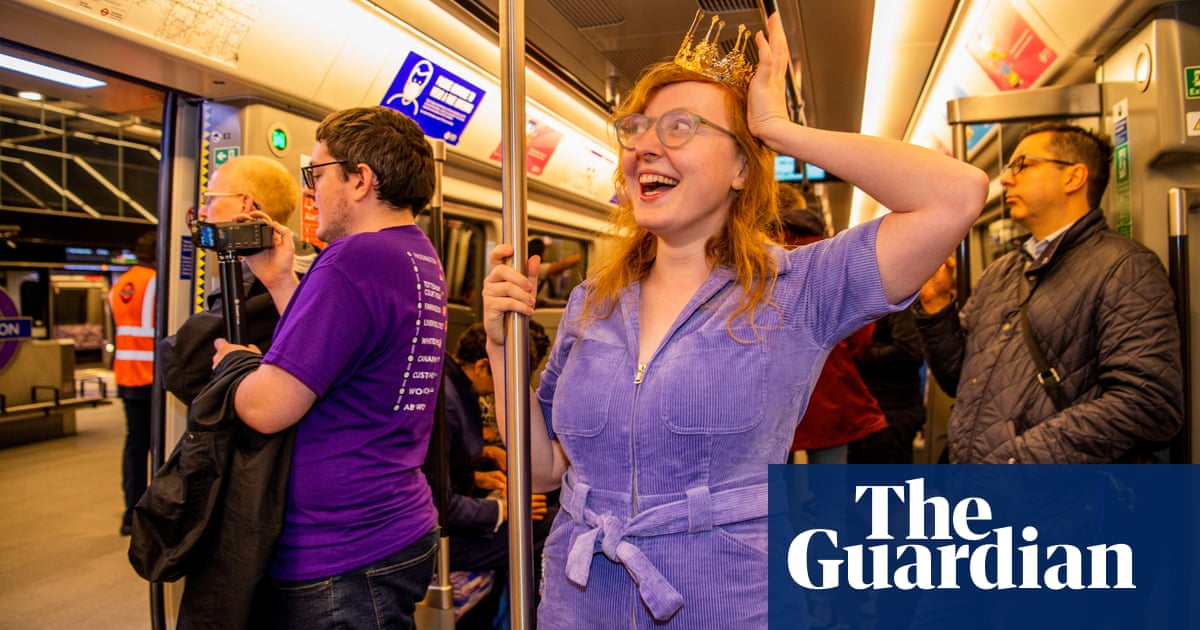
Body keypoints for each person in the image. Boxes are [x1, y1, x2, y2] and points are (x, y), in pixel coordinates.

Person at [480, 10, 987, 627]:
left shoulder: (799, 287)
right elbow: (544, 469)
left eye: (681, 127)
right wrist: (501, 348)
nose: (644, 147)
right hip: (580, 600)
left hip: (726, 599)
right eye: (637, 129)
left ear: (743, 167)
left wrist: (778, 128)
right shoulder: (593, 301)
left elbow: (955, 194)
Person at [211, 105, 447, 629]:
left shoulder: (353, 259)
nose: (309, 191)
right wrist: (279, 283)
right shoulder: (416, 256)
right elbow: (345, 356)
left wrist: (236, 366)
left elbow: (267, 408)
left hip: (340, 547)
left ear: (360, 179)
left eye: (315, 174)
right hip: (391, 518)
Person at [913, 121, 1184, 463]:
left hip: (1060, 500)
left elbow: (1149, 404)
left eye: (1022, 165)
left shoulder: (1125, 268)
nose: (1008, 178)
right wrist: (936, 305)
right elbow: (960, 379)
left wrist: (1018, 458)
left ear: (1073, 177)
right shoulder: (1002, 272)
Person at [427, 323, 557, 628]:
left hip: (458, 514)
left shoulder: (456, 386)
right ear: (485, 365)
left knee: (544, 506)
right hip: (445, 540)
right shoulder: (445, 402)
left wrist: (483, 464)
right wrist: (505, 508)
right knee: (550, 526)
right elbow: (440, 505)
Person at [158, 154, 314, 404]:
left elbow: (182, 366)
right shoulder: (312, 265)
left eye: (210, 199)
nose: (202, 210)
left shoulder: (258, 285)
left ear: (245, 205)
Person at [774, 201, 888, 465]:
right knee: (830, 493)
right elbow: (861, 339)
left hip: (773, 397)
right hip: (831, 395)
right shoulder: (837, 262)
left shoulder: (760, 263)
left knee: (770, 494)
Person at [109, 230, 156, 537]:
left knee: (134, 446)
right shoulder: (155, 282)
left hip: (125, 374)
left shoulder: (120, 285)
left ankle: (131, 513)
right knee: (160, 445)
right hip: (152, 373)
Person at [848, 308, 927, 464]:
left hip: (892, 410)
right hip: (863, 410)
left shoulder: (893, 302)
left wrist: (862, 355)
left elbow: (910, 351)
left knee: (889, 484)